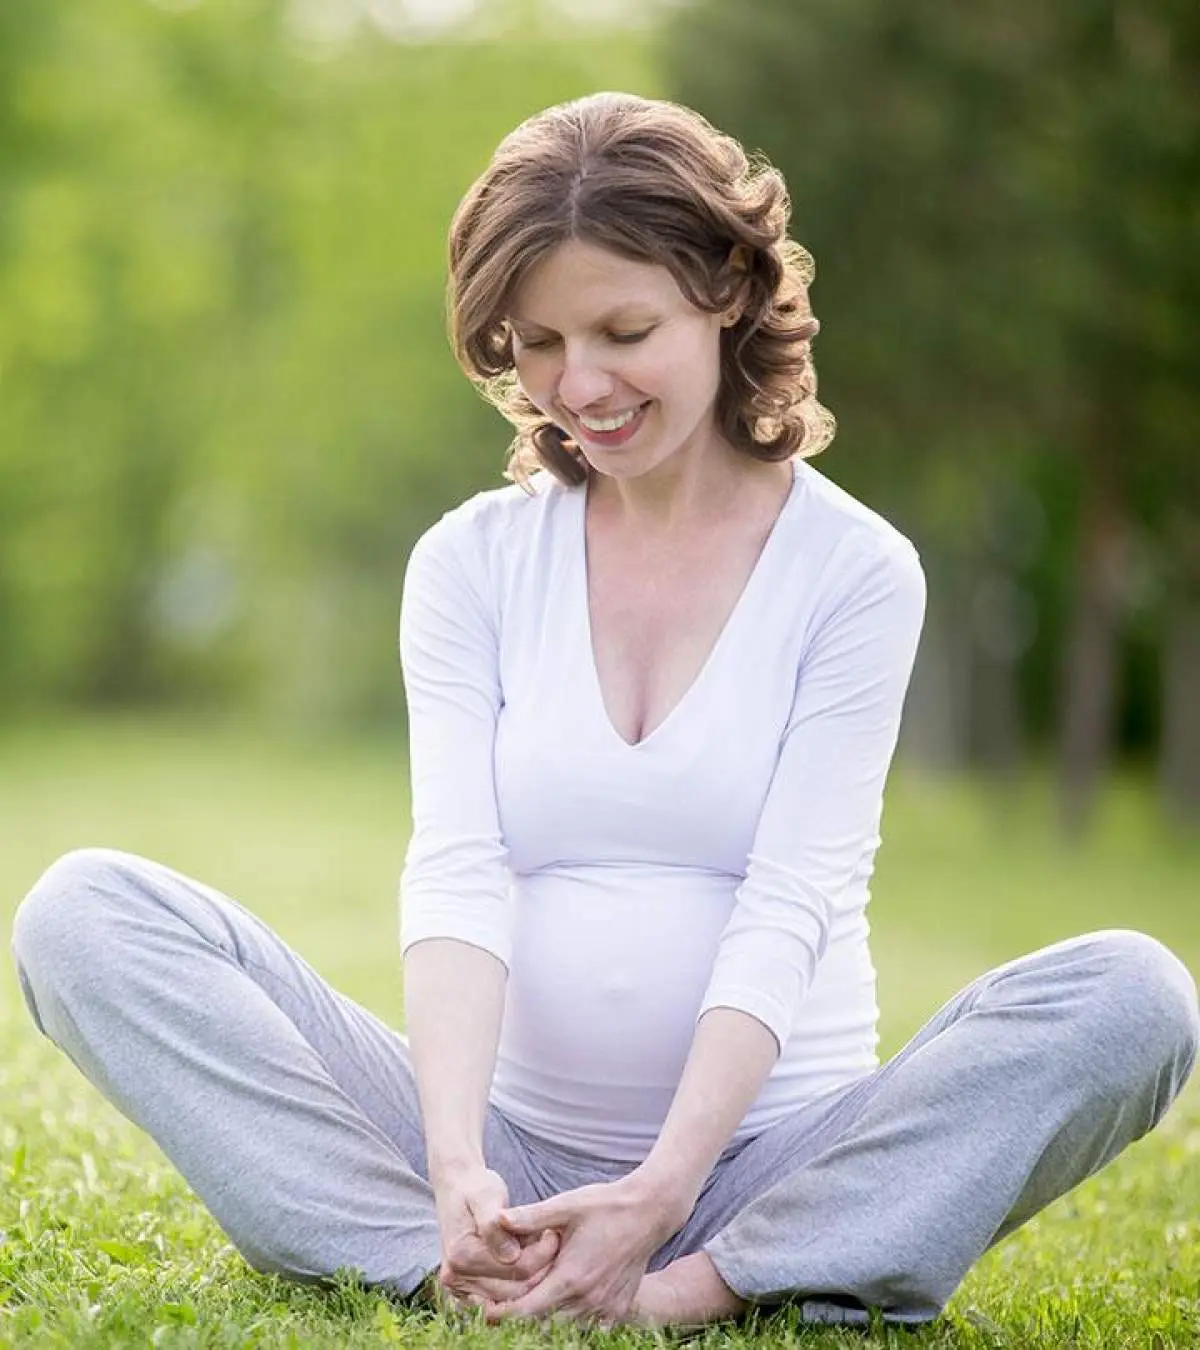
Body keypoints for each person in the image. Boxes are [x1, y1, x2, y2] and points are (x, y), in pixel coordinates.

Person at [10, 92, 1198, 1332]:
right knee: (85, 914)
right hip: (506, 1156)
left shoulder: (854, 572)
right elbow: (459, 870)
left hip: (766, 1172)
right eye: (535, 343)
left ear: (727, 291)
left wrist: (662, 1195)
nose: (578, 385)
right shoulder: (471, 562)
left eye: (625, 331)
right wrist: (457, 1164)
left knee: (1134, 996)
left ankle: (693, 1289)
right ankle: (459, 1261)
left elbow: (792, 900)